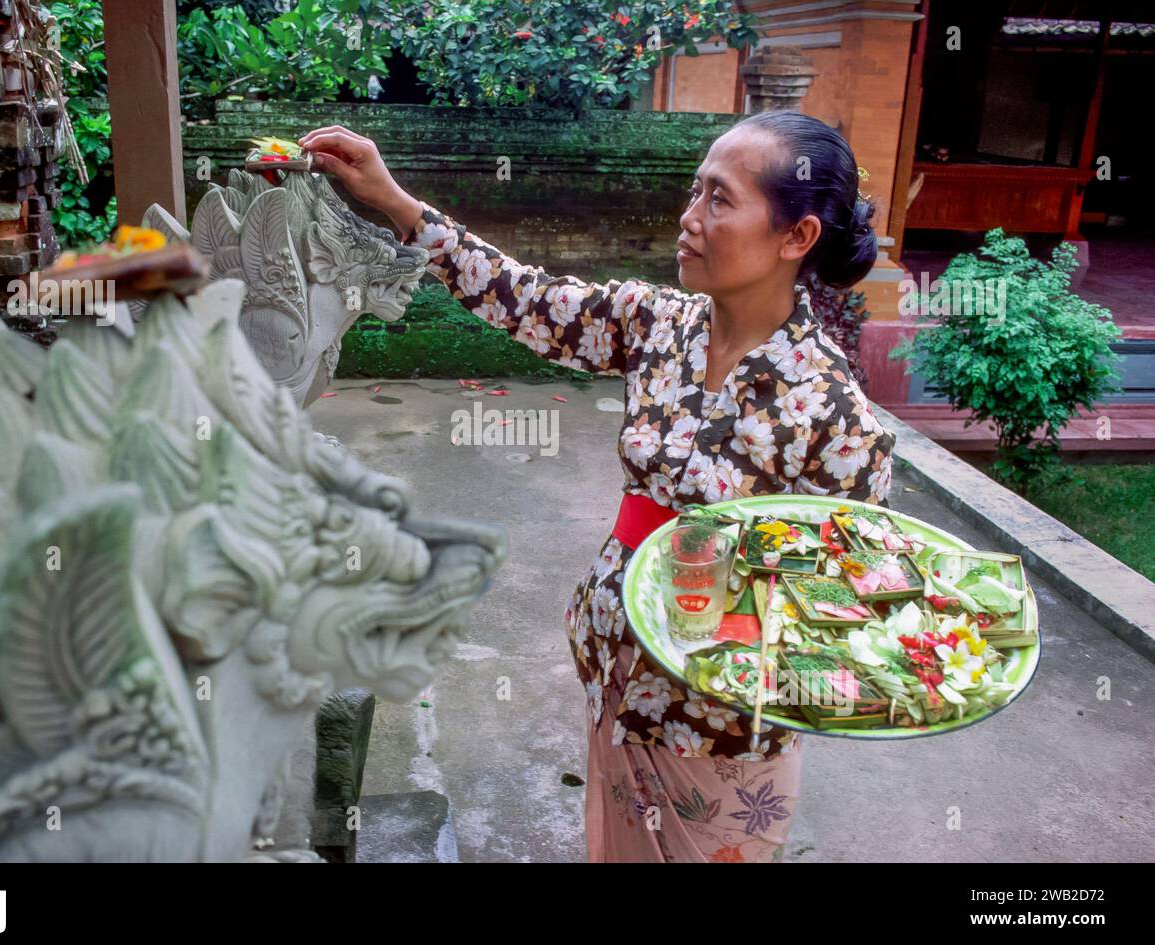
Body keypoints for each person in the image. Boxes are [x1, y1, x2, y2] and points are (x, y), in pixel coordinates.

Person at [297, 112, 896, 863]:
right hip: (614, 681)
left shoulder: (837, 418)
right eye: (694, 192)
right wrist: (392, 200)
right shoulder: (659, 326)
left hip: (715, 735)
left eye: (719, 200)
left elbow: (842, 612)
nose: (690, 218)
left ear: (796, 236)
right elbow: (526, 299)